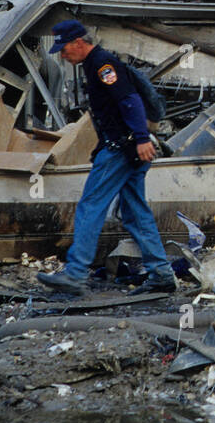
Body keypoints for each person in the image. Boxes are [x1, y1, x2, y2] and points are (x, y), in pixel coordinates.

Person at [37, 20, 177, 294]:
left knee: (91, 205)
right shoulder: (95, 65)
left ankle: (75, 274)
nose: (62, 56)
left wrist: (139, 139)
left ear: (78, 43)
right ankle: (161, 274)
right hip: (126, 148)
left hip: (121, 150)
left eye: (64, 50)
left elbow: (129, 101)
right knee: (135, 212)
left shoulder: (103, 64)